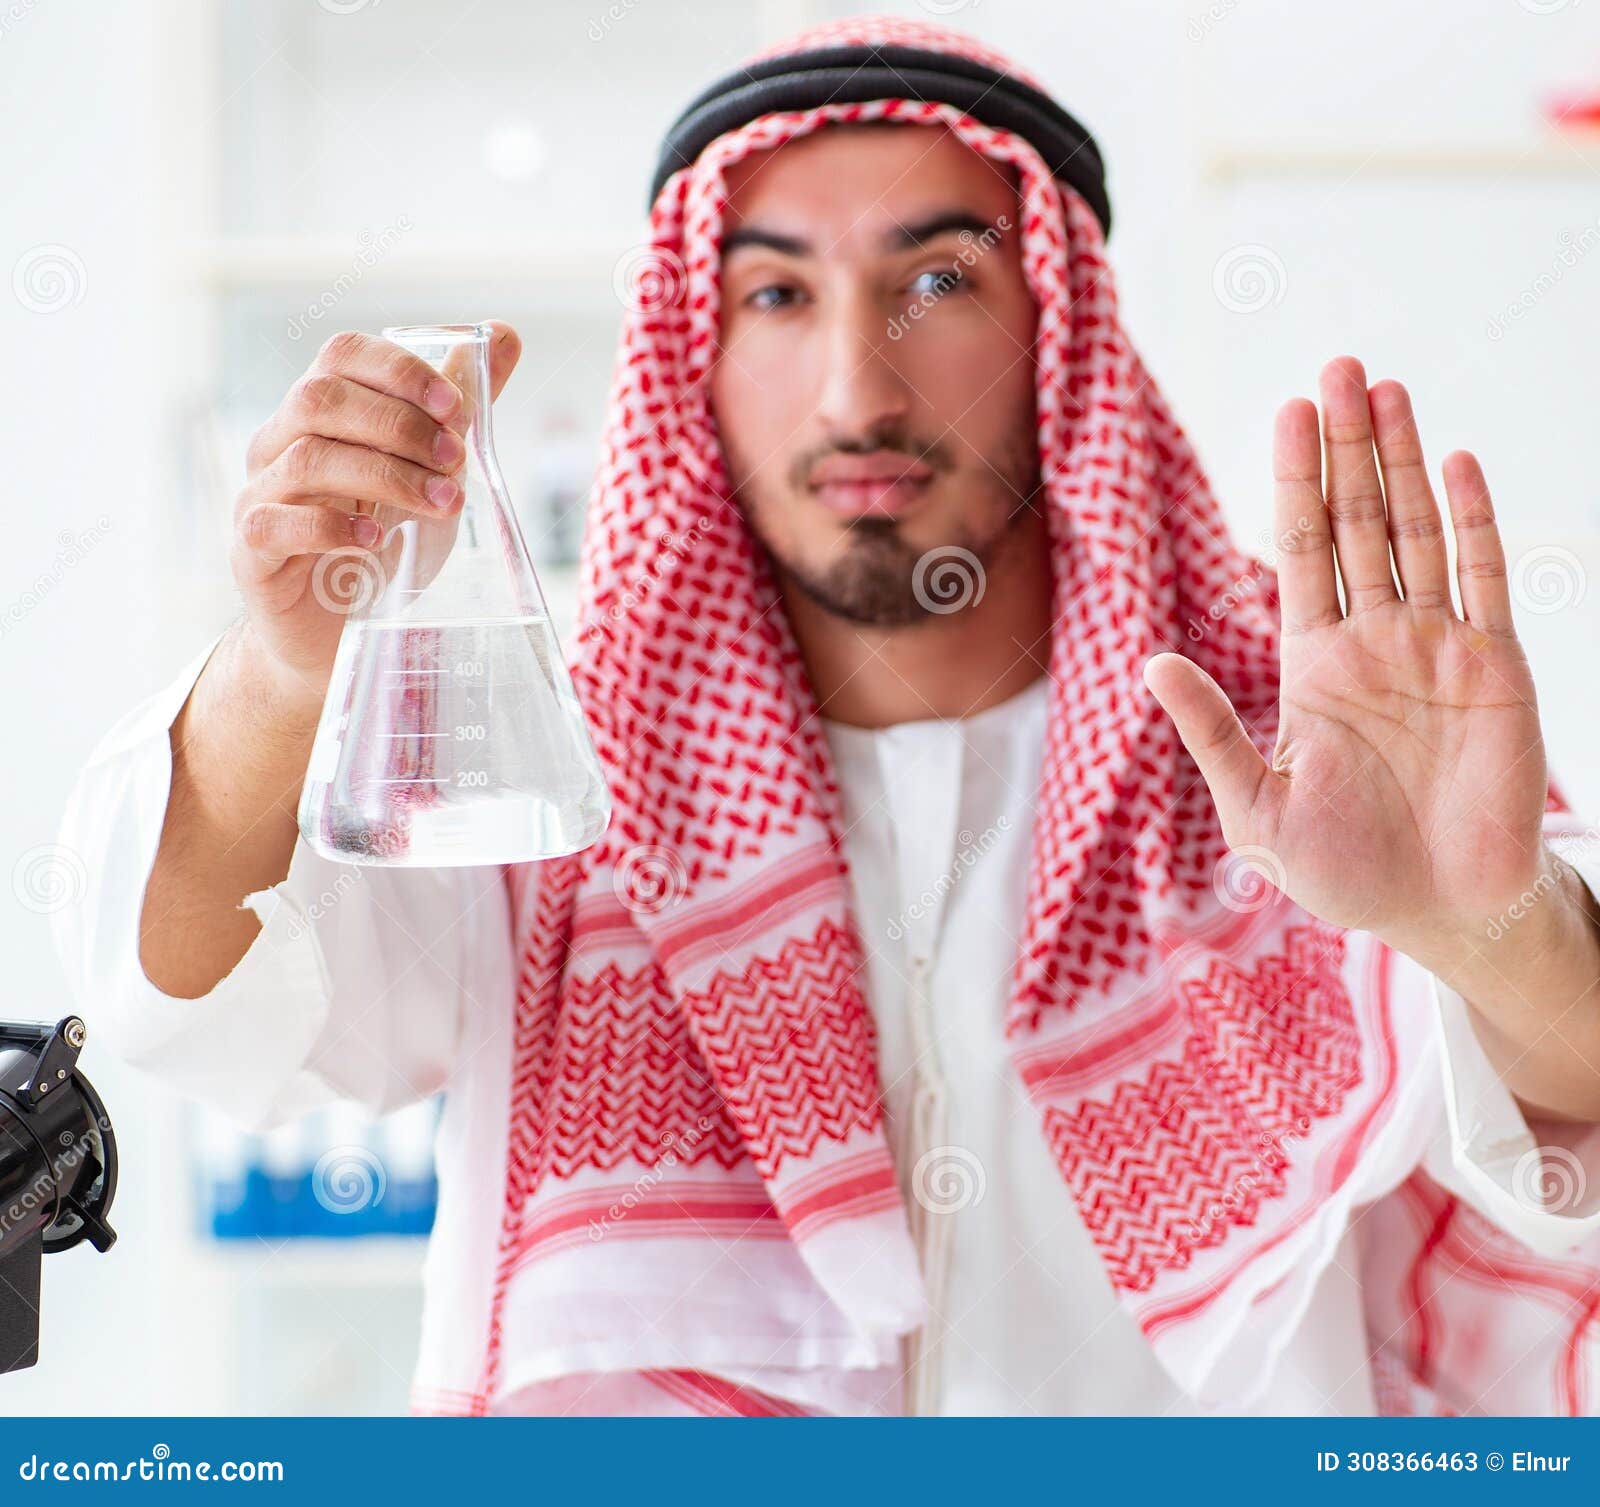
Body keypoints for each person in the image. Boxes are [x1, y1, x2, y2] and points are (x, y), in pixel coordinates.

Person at [56, 15, 1600, 1417]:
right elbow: (187, 1003)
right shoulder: (544, 763)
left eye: (939, 282)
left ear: (1058, 335)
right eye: (778, 295)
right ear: (698, 356)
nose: (858, 386)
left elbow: (1564, 1146)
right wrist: (278, 667)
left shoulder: (1306, 757)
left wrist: (1485, 932)